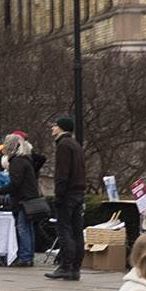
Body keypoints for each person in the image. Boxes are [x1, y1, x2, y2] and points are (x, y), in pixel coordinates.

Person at [46, 116, 86, 281]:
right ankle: (75, 268)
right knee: (77, 231)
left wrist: (59, 194)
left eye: (55, 126)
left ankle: (65, 265)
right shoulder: (76, 145)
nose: (52, 129)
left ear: (62, 128)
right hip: (78, 193)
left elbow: (62, 173)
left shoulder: (63, 145)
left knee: (64, 230)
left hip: (68, 194)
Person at [7, 131, 45, 266]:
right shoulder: (26, 160)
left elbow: (15, 183)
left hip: (23, 199)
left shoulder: (17, 161)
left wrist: (0, 189)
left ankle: (25, 256)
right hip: (29, 197)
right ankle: (28, 255)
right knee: (28, 228)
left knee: (22, 227)